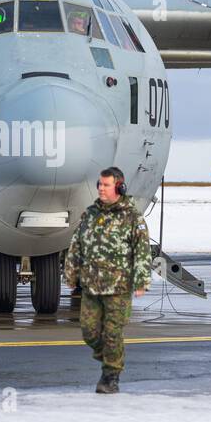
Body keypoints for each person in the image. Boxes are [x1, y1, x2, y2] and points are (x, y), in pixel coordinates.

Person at [63, 166, 151, 394]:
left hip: (118, 288)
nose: (101, 189)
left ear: (119, 187)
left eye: (106, 185)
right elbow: (76, 245)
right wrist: (70, 273)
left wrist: (141, 280)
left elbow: (142, 251)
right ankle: (113, 356)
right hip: (91, 285)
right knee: (89, 332)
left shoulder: (132, 217)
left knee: (112, 333)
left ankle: (111, 375)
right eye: (99, 185)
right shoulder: (91, 214)